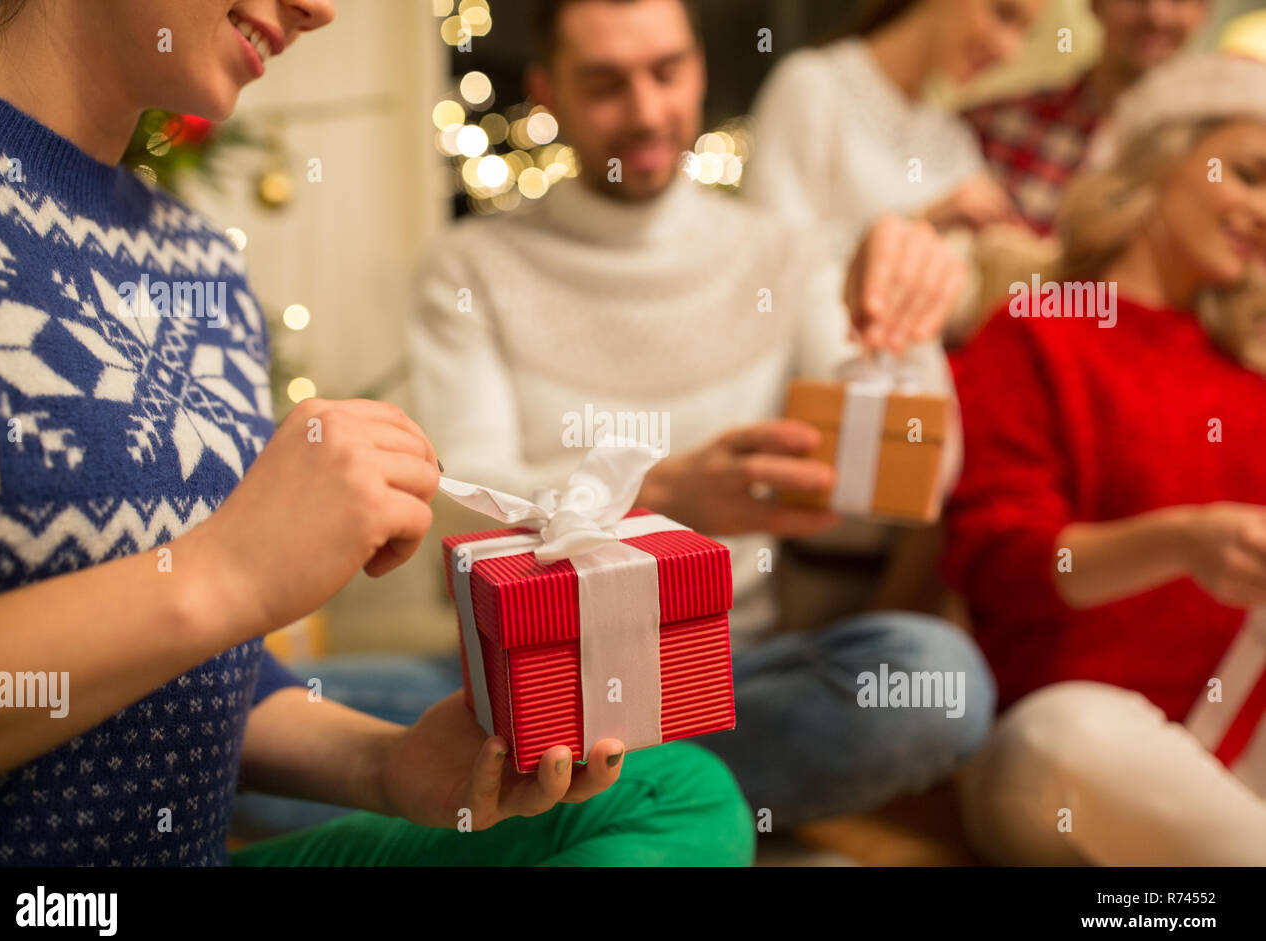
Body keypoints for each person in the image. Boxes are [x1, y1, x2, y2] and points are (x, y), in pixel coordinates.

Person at [0, 0, 755, 867]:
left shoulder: (198, 261)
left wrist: (385, 765)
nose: (318, 8)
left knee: (678, 791)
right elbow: (205, 595)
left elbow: (196, 689)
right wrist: (222, 574)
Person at [409, 0, 995, 830]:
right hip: (530, 681)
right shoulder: (470, 266)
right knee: (260, 721)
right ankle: (666, 804)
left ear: (699, 68)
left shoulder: (783, 255)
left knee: (939, 681)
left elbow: (919, 475)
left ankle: (557, 804)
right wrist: (661, 497)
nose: (647, 112)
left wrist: (904, 323)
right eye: (605, 84)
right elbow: (457, 509)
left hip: (724, 677)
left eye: (667, 72)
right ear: (548, 93)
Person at [944, 53, 1266, 865]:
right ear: (1164, 156)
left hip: (1235, 747)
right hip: (1063, 746)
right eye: (1250, 174)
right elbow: (1003, 564)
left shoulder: (1251, 370)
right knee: (1069, 736)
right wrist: (1183, 541)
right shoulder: (1039, 330)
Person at [745, 0, 1044, 253]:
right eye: (1003, 13)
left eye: (1025, 33)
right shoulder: (812, 86)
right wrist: (918, 225)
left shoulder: (954, 140)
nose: (1010, 50)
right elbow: (769, 259)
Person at [964, 0, 1211, 237]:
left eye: (1179, 0)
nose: (1157, 16)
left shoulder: (1207, 154)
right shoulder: (992, 125)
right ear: (1095, 3)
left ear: (1202, 11)